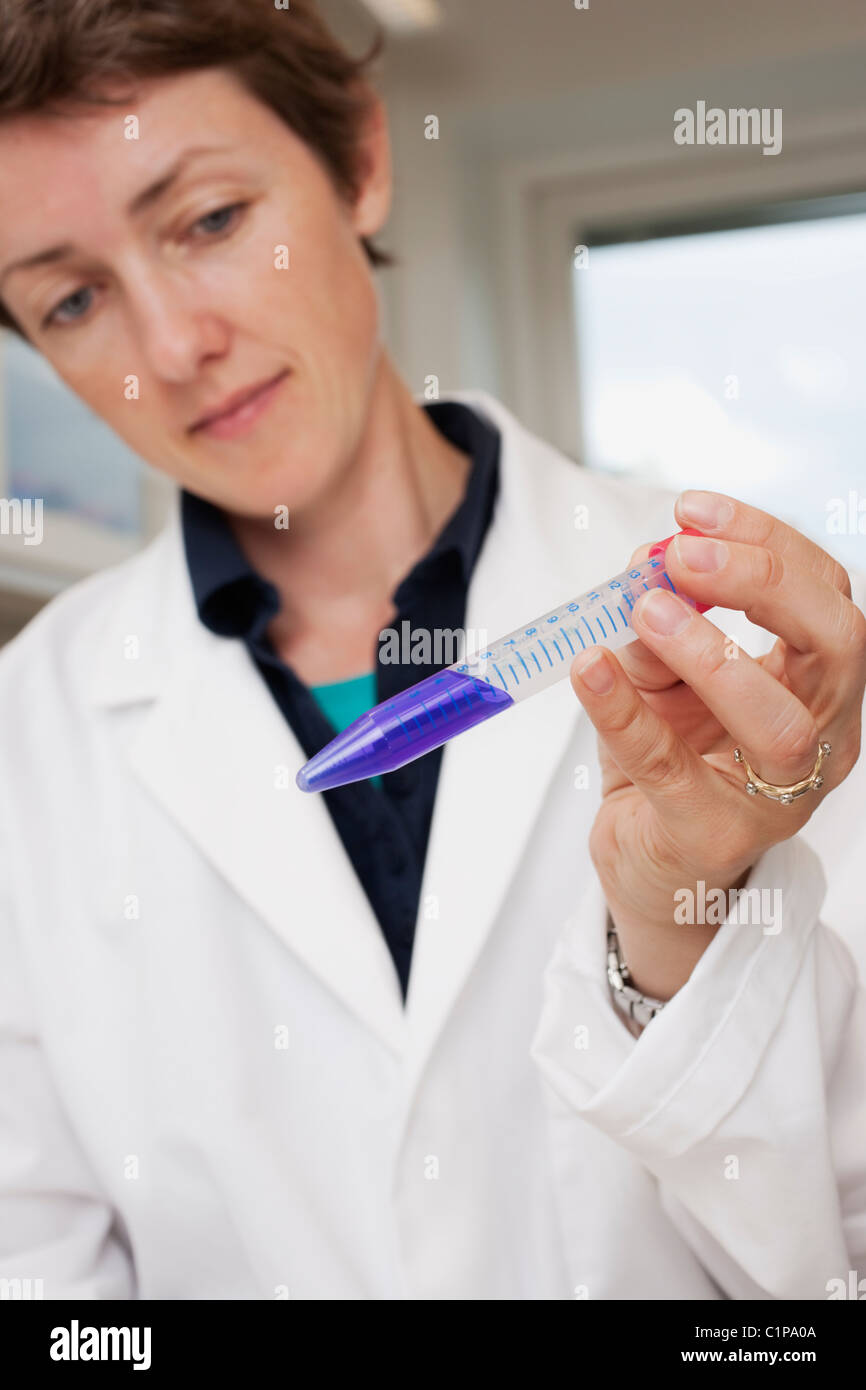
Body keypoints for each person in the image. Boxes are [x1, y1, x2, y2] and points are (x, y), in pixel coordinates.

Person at [0, 0, 864, 1302]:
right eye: (72, 298)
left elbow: (828, 1261)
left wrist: (671, 939)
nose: (174, 347)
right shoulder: (31, 736)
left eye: (212, 220)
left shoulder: (748, 641)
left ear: (357, 157)